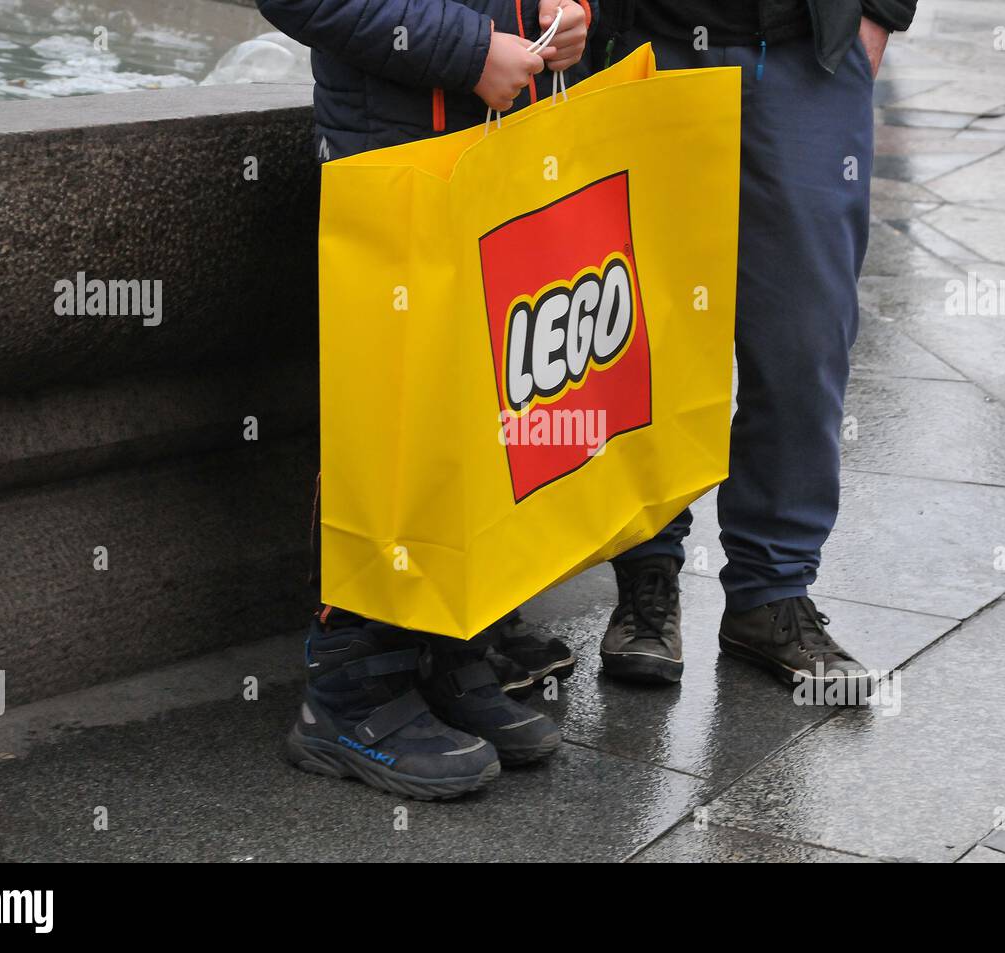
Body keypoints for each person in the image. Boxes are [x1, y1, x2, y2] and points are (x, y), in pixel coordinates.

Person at [255, 0, 596, 800]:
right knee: (384, 414)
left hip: (492, 136)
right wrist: (471, 48)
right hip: (393, 147)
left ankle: (446, 648)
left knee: (473, 404)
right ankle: (347, 688)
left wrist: (567, 11)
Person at [592, 0, 917, 693]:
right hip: (647, 42)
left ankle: (772, 591)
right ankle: (645, 573)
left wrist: (878, 16)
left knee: (806, 336)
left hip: (808, 53)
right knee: (640, 328)